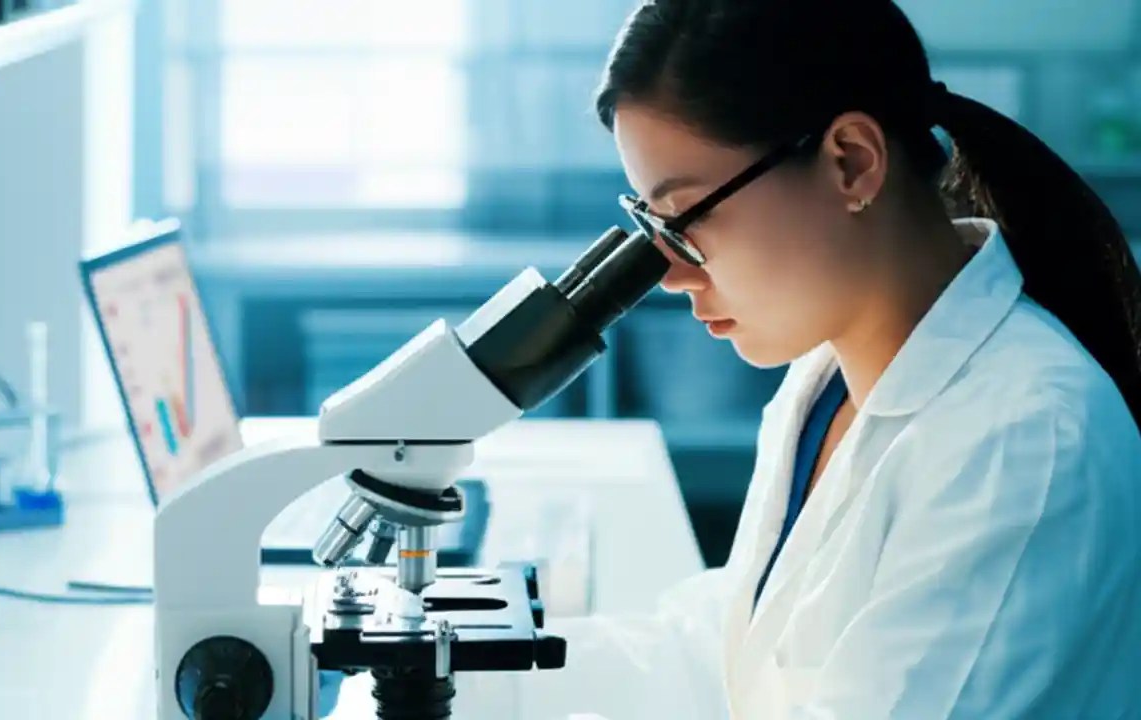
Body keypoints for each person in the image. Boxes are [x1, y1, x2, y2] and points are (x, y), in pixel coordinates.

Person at [451, 0, 1141, 717]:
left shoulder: (1023, 442)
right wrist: (459, 673)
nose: (671, 272)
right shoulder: (828, 385)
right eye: (650, 224)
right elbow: (733, 649)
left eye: (686, 217)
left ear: (852, 163)